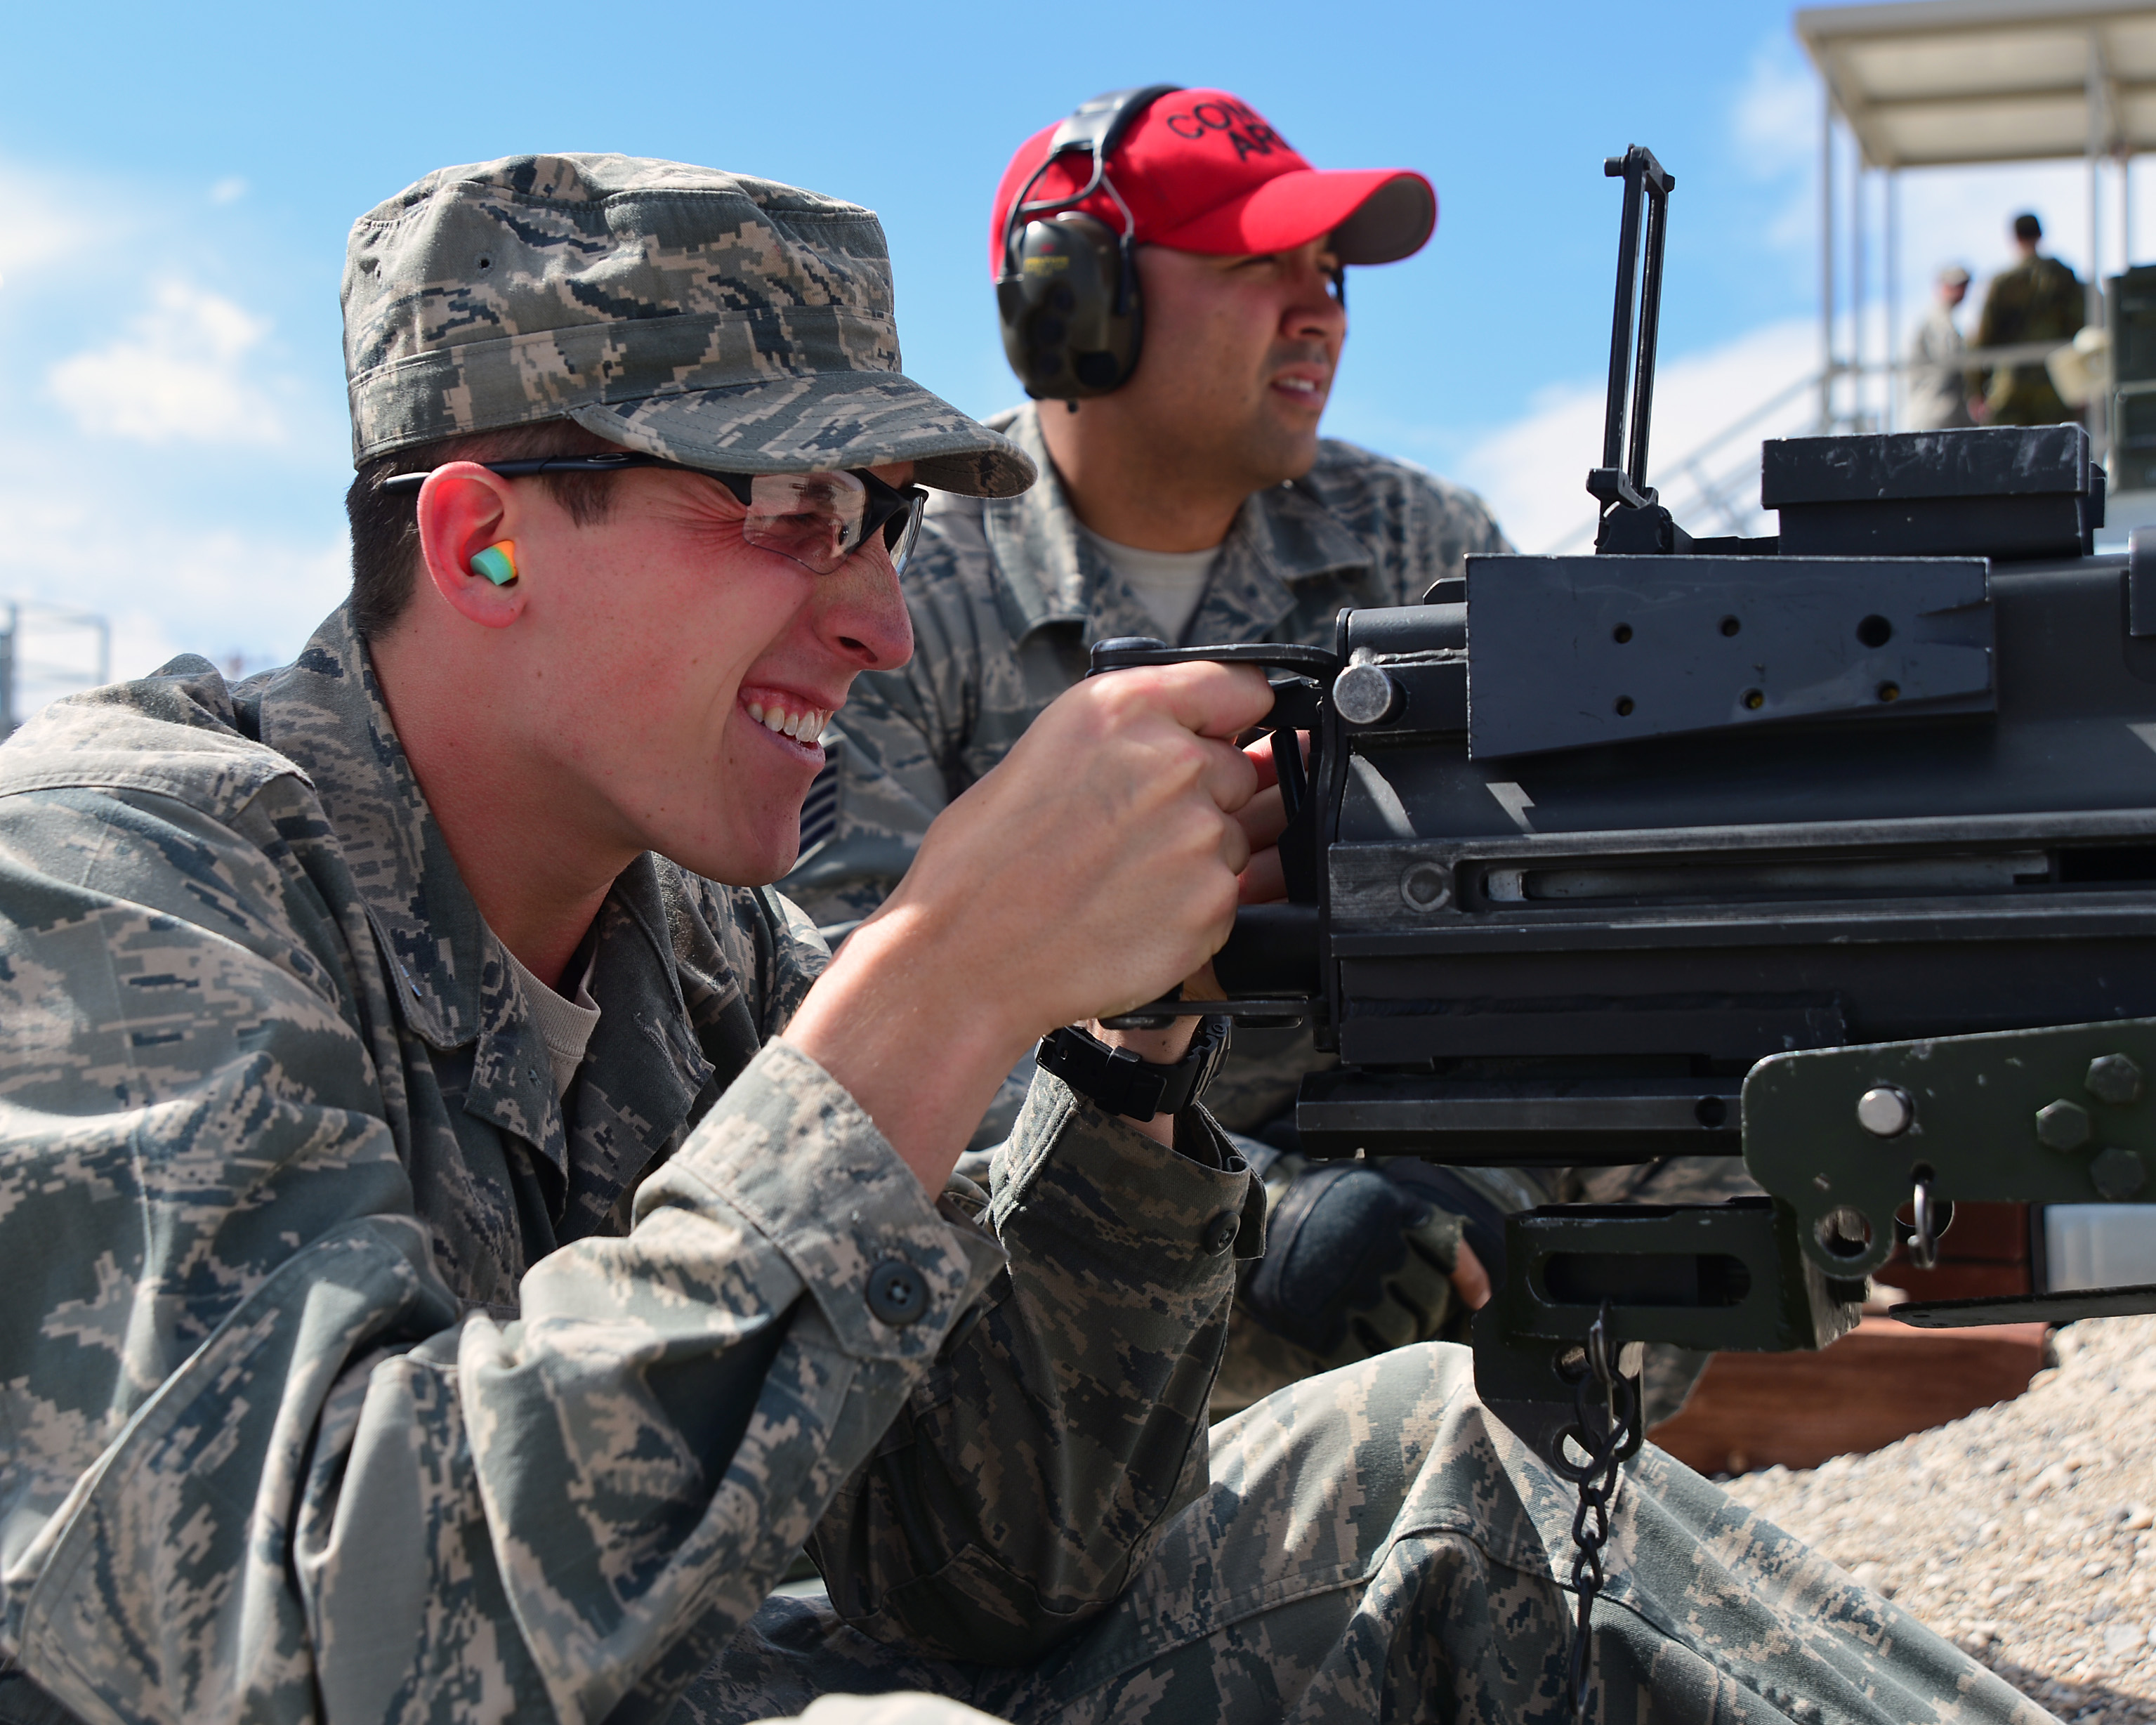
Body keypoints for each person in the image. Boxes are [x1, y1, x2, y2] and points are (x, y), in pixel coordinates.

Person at [0, 153, 2041, 1725]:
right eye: (794, 512)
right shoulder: (115, 876)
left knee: (1413, 1464)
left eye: (889, 521)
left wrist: (1128, 1060)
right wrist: (943, 975)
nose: (882, 619)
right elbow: (317, 1638)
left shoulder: (690, 950)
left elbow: (996, 1571)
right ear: (485, 539)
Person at [780, 88, 1754, 1426]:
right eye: (1261, 266)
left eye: (1332, 271)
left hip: (1390, 1148)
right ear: (1079, 299)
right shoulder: (905, 582)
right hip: (1088, 1174)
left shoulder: (1413, 539)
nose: (1322, 312)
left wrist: (1466, 1176)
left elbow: (1545, 911)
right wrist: (1267, 1211)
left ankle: (1547, 1482)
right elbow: (850, 998)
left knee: (1715, 1097)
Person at [1975, 213, 2086, 426]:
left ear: (2015, 237)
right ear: (2041, 235)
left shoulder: (2003, 283)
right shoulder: (2063, 277)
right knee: (2055, 443)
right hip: (2055, 380)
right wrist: (2081, 382)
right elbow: (2078, 326)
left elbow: (1984, 335)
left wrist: (1977, 388)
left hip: (2011, 382)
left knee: (2008, 444)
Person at [1905, 263, 1976, 431]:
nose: (1960, 291)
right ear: (1941, 287)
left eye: (1964, 286)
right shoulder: (1935, 321)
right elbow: (1951, 360)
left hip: (1950, 412)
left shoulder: (1946, 322)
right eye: (1954, 286)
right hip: (1936, 412)